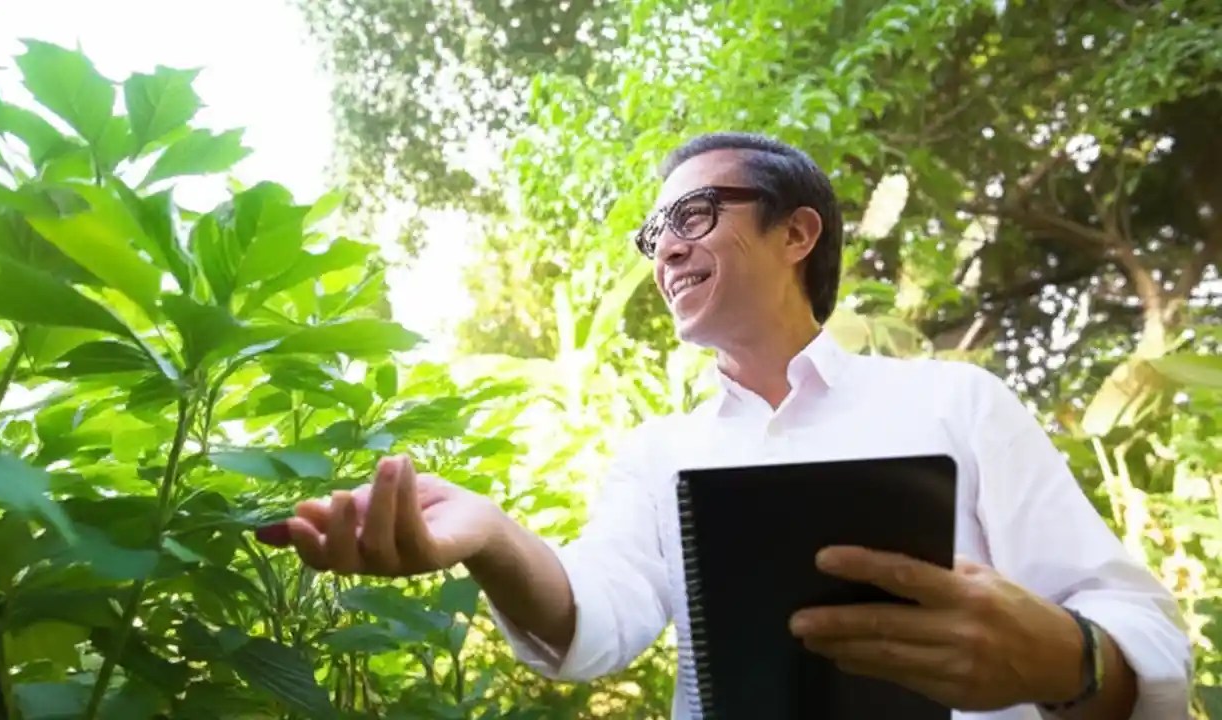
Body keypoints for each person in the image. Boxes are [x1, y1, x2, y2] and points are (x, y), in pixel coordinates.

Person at [266, 132, 1192, 719]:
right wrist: (496, 539)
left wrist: (1062, 662)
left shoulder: (956, 402)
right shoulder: (658, 452)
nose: (666, 246)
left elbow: (1138, 631)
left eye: (695, 214)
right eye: (655, 232)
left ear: (798, 235)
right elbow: (601, 621)